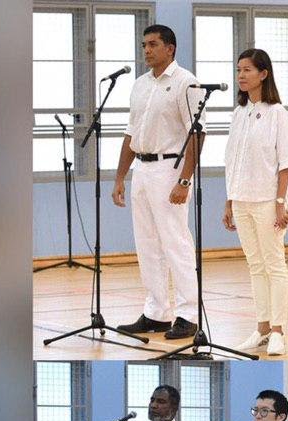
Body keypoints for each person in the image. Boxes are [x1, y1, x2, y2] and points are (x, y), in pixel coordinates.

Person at [113, 25, 200, 341]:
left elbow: (197, 133)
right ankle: (157, 312)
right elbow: (131, 133)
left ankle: (189, 314)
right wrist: (120, 176)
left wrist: (184, 180)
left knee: (175, 242)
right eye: (144, 45)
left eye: (153, 44)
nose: (147, 50)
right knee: (147, 244)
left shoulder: (185, 82)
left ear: (170, 48)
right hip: (142, 170)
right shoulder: (139, 85)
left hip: (170, 169)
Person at [222, 49, 288, 356]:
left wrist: (280, 201)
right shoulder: (239, 113)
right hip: (241, 198)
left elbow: (285, 161)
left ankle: (278, 330)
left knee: (274, 263)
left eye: (248, 69)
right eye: (239, 69)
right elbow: (232, 161)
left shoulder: (277, 113)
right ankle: (262, 328)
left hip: (267, 200)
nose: (241, 75)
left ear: (263, 74)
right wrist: (229, 202)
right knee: (255, 265)